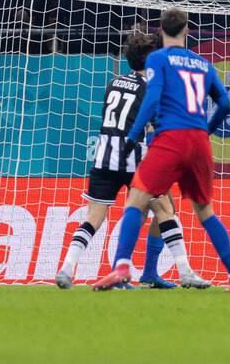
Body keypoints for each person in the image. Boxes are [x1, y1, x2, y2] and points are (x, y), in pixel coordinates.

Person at [91, 9, 230, 292]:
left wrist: (134, 135)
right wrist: (206, 131)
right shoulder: (203, 63)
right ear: (186, 31)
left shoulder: (158, 58)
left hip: (169, 139)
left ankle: (122, 267)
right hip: (199, 141)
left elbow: (151, 100)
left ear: (160, 31)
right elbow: (225, 104)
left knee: (136, 200)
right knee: (206, 212)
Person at [55, 32, 209, 290]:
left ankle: (67, 268)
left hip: (104, 156)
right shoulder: (153, 87)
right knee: (164, 210)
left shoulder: (113, 83)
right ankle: (185, 272)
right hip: (133, 158)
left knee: (94, 218)